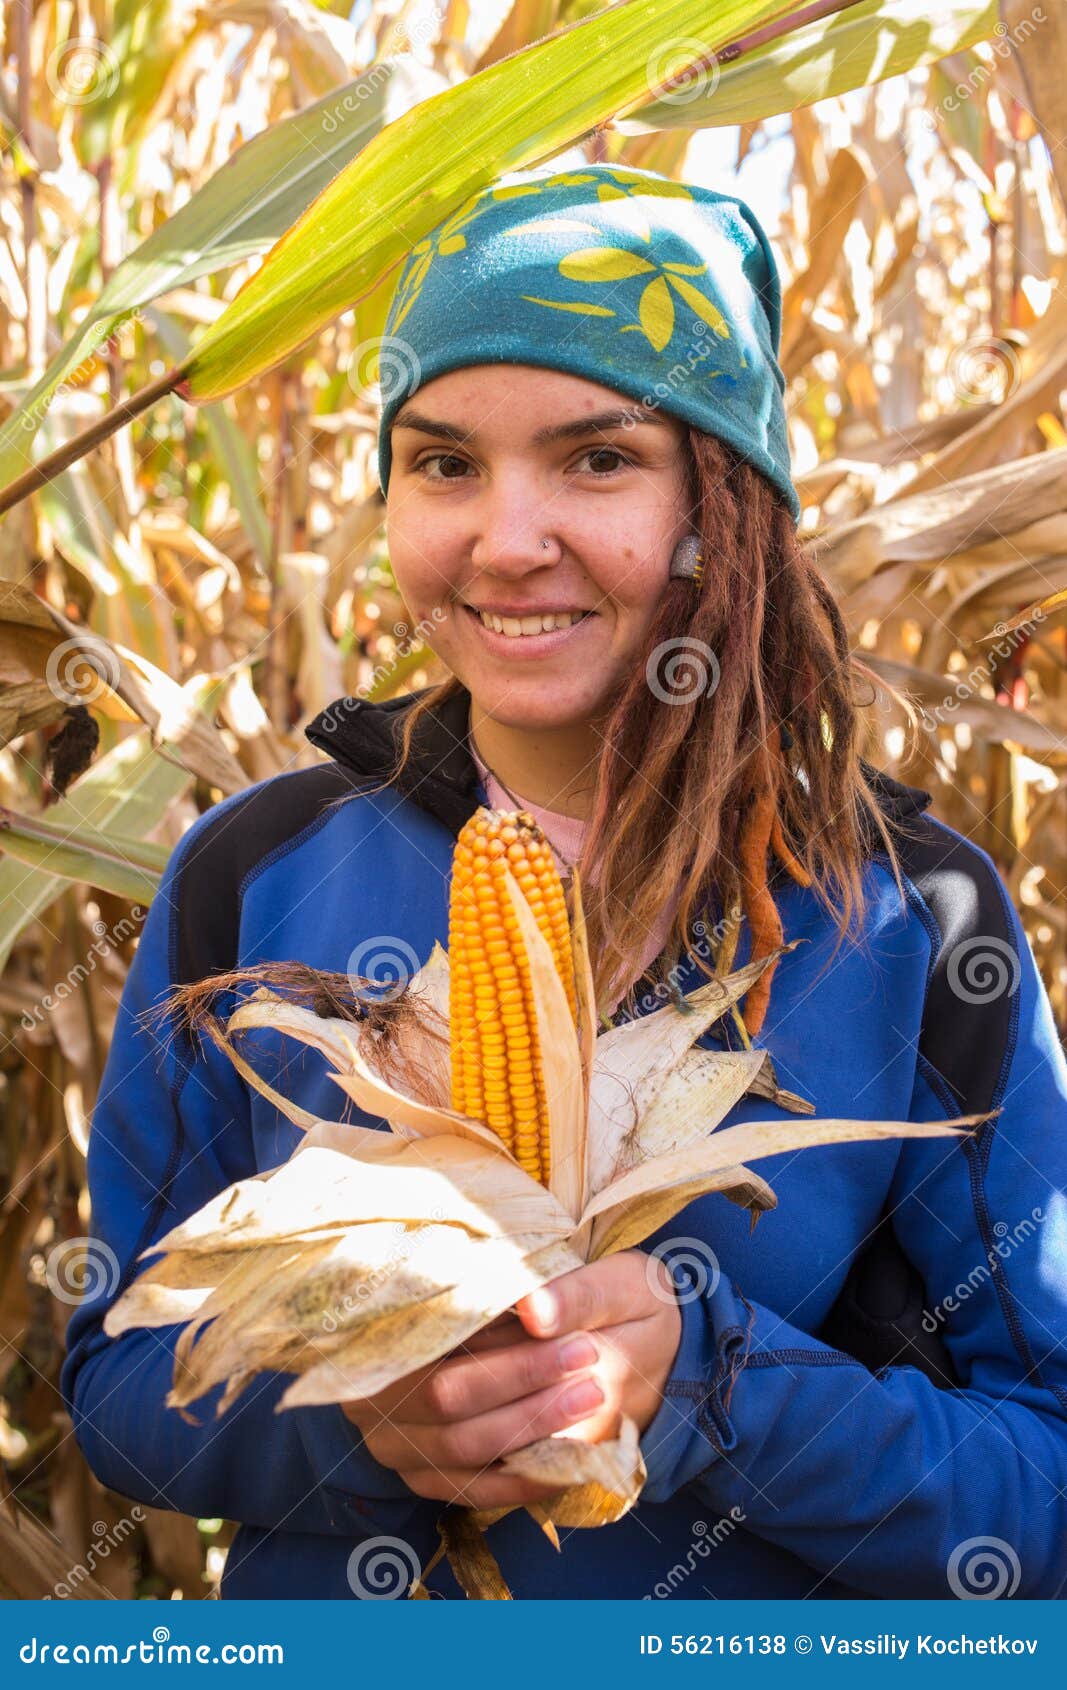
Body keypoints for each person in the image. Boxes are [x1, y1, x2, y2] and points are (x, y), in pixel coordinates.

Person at [61, 163, 1067, 1601]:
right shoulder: (251, 871)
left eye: (598, 459)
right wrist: (360, 1406)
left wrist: (710, 1382)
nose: (507, 539)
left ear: (720, 503)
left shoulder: (920, 918)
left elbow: (1045, 1488)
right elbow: (115, 1385)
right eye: (446, 462)